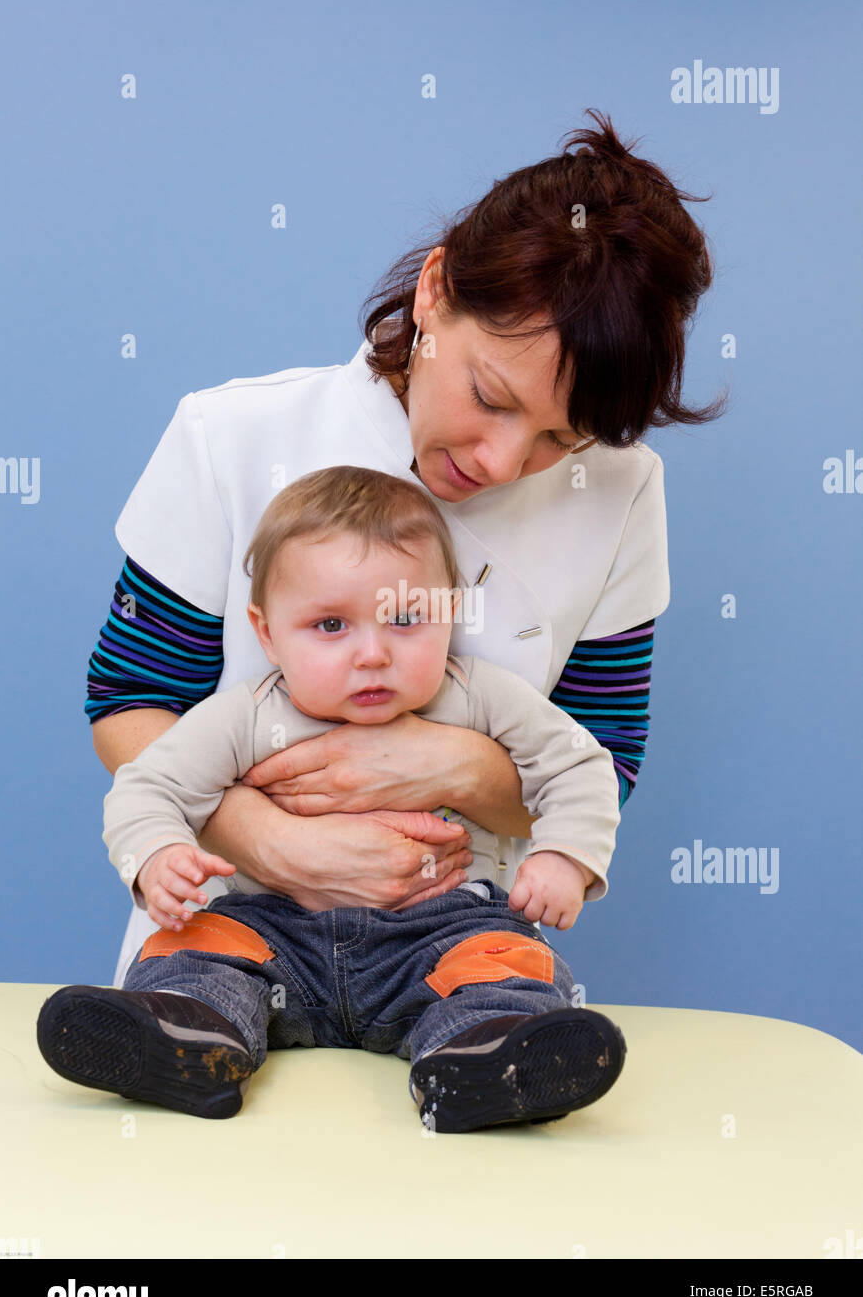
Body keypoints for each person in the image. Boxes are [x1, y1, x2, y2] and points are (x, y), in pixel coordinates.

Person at [84, 109, 724, 989]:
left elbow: (604, 762)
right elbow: (131, 699)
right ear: (434, 293)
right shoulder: (230, 435)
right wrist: (276, 842)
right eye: (490, 397)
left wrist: (454, 762)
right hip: (232, 928)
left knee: (487, 1029)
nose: (502, 462)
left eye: (558, 439)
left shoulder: (621, 487)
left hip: (446, 951)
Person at [40, 466, 629, 1132]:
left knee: (502, 962)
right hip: (273, 930)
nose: (372, 653)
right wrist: (157, 852)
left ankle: (481, 1060)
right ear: (267, 633)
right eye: (329, 625)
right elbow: (147, 782)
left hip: (438, 931)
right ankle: (186, 1036)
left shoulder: (481, 697)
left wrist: (563, 857)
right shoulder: (246, 716)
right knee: (197, 951)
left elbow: (583, 766)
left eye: (407, 618)